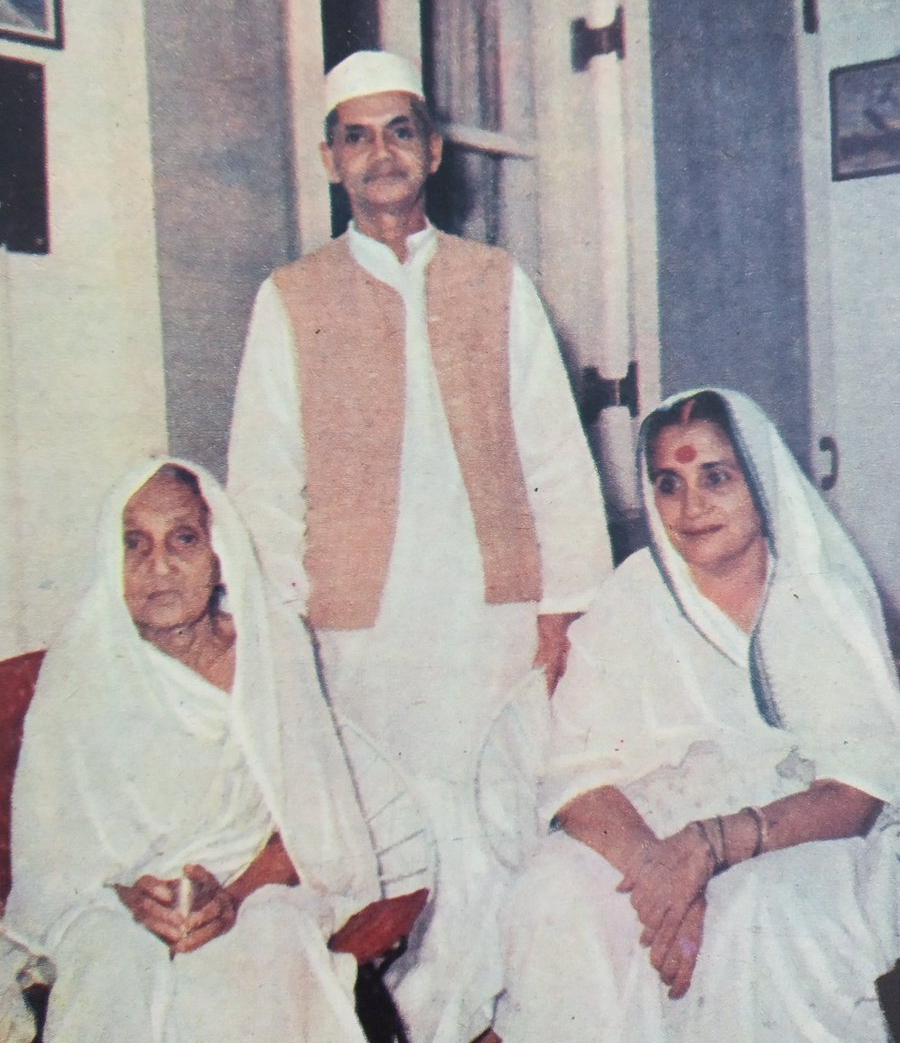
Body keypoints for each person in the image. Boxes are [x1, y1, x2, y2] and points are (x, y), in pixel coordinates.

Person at [227, 50, 611, 1041]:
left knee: (514, 838)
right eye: (357, 135)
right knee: (406, 859)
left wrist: (564, 611)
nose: (381, 153)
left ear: (434, 151)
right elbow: (265, 491)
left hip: (496, 623)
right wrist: (286, 646)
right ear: (330, 160)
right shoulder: (290, 299)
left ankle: (522, 1020)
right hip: (363, 637)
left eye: (400, 130)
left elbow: (557, 457)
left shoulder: (496, 283)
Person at [495, 389, 900, 1042]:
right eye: (669, 484)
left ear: (760, 481)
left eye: (716, 477)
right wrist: (663, 877)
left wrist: (708, 851)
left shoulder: (823, 597)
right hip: (655, 833)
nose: (692, 506)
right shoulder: (632, 598)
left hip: (808, 840)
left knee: (754, 911)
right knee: (554, 894)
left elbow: (855, 794)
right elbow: (578, 779)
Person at [3, 458, 425, 1043]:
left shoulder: (270, 651)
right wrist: (130, 900)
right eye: (135, 544)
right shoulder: (81, 670)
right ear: (111, 559)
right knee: (110, 955)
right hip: (121, 904)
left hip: (254, 888)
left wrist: (227, 900)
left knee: (272, 938)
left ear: (218, 550)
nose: (160, 566)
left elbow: (309, 829)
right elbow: (54, 861)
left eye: (183, 539)